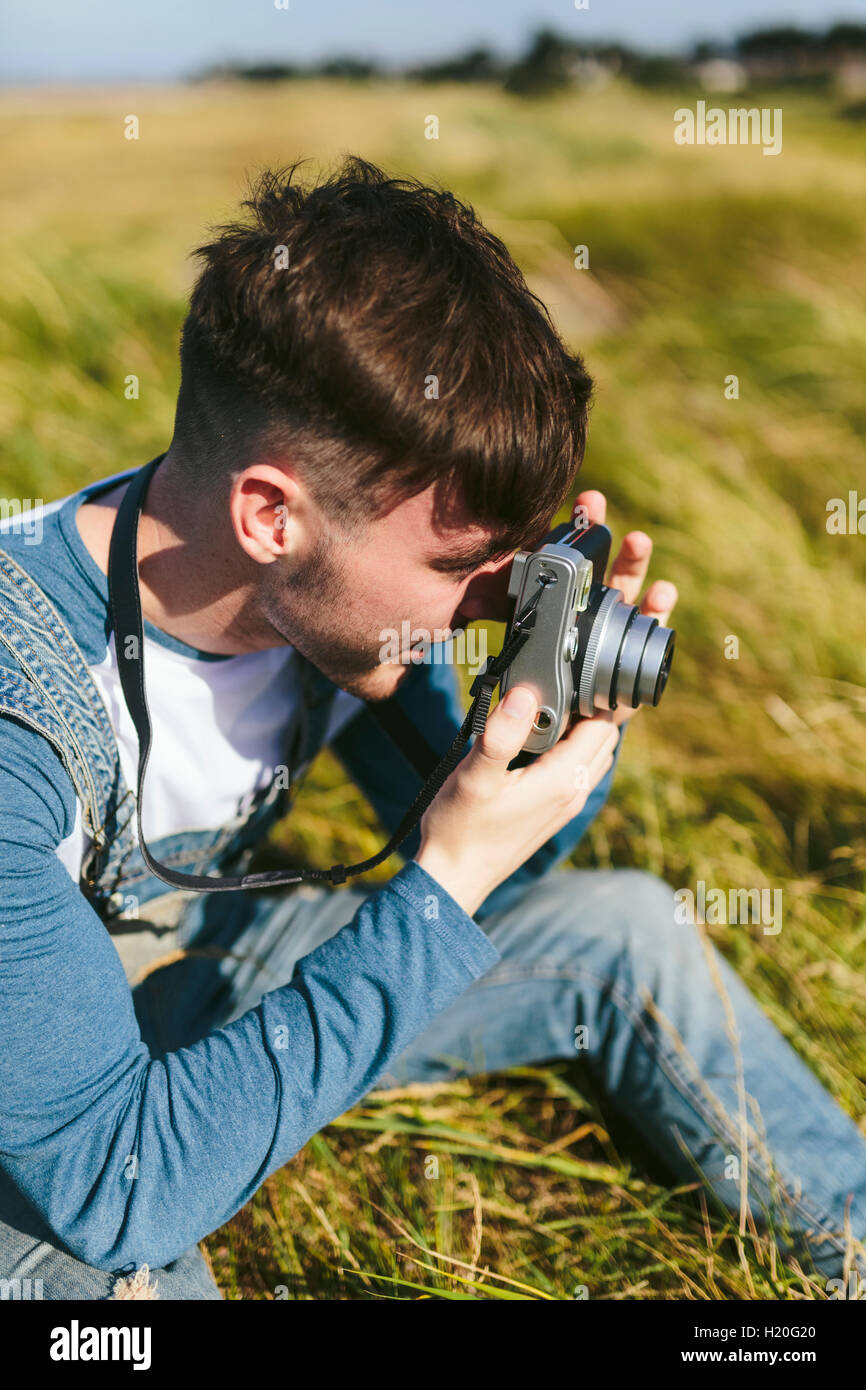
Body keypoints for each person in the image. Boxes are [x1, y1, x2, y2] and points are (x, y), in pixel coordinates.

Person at [0, 159, 862, 1300]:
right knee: (121, 1281)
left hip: (182, 957)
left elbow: (510, 874)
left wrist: (542, 713)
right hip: (55, 1102)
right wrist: (439, 881)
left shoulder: (325, 614)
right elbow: (120, 1179)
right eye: (460, 565)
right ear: (269, 514)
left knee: (623, 924)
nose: (482, 599)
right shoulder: (19, 722)